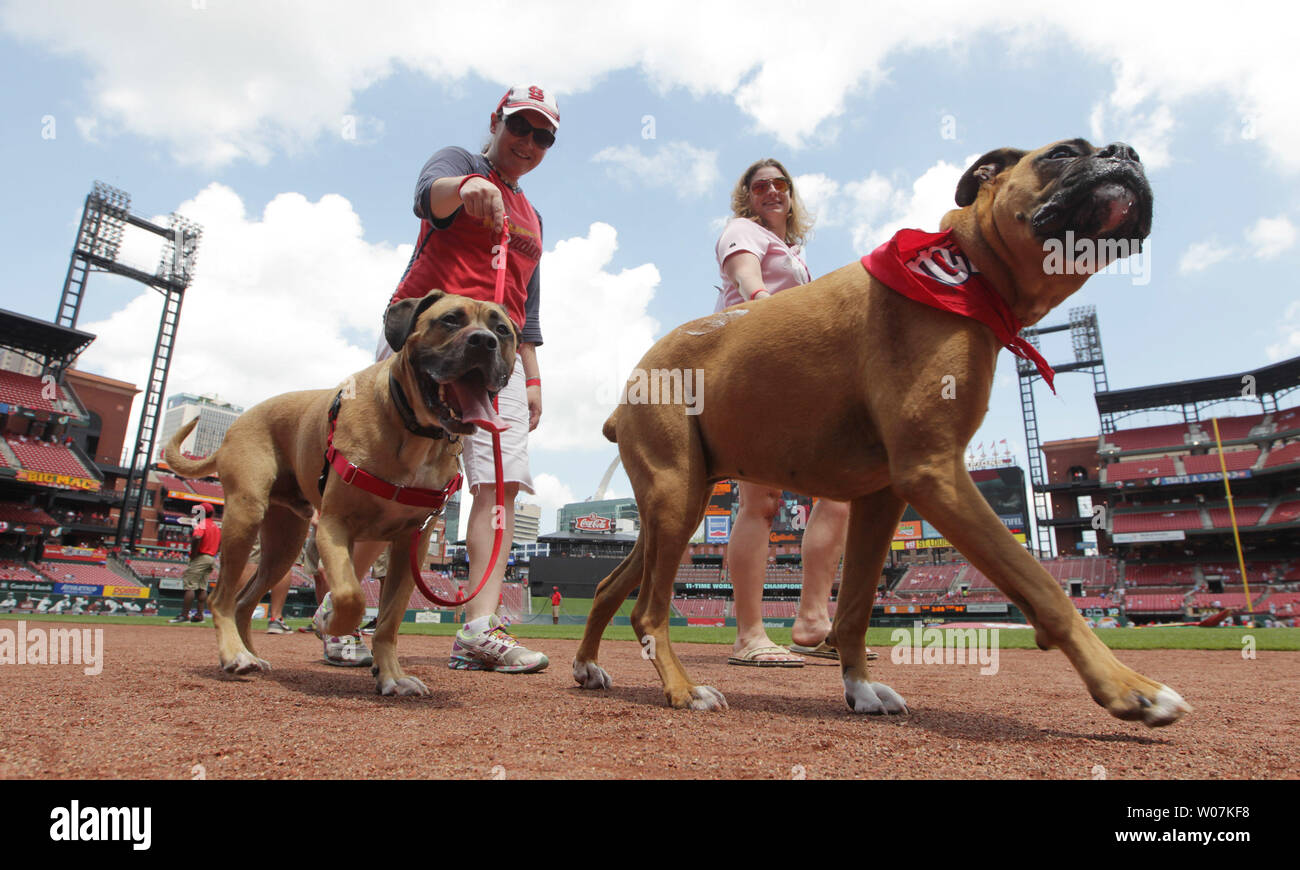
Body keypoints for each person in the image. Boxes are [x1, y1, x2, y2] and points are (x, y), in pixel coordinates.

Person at [314, 85, 555, 675]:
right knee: (387, 483)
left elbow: (528, 302)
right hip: (430, 340)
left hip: (496, 353)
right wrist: (467, 188)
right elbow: (430, 198)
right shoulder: (462, 163)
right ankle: (339, 612)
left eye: (543, 136)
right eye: (520, 127)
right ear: (496, 122)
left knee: (499, 486)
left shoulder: (533, 215)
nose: (529, 142)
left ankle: (478, 629)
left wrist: (532, 374)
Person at [713, 159, 865, 667]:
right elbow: (744, 274)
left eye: (781, 184)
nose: (772, 192)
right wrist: (760, 298)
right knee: (761, 501)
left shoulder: (795, 253)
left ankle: (812, 620)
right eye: (760, 186)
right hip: (751, 363)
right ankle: (748, 635)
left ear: (792, 196)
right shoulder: (743, 231)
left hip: (796, 372)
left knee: (840, 492)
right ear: (748, 197)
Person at [170, 501, 219, 624]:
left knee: (190, 586)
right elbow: (221, 543)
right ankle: (199, 615)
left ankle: (184, 615)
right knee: (202, 587)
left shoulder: (201, 524)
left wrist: (194, 552)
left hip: (201, 557)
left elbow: (197, 537)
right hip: (211, 557)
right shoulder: (215, 526)